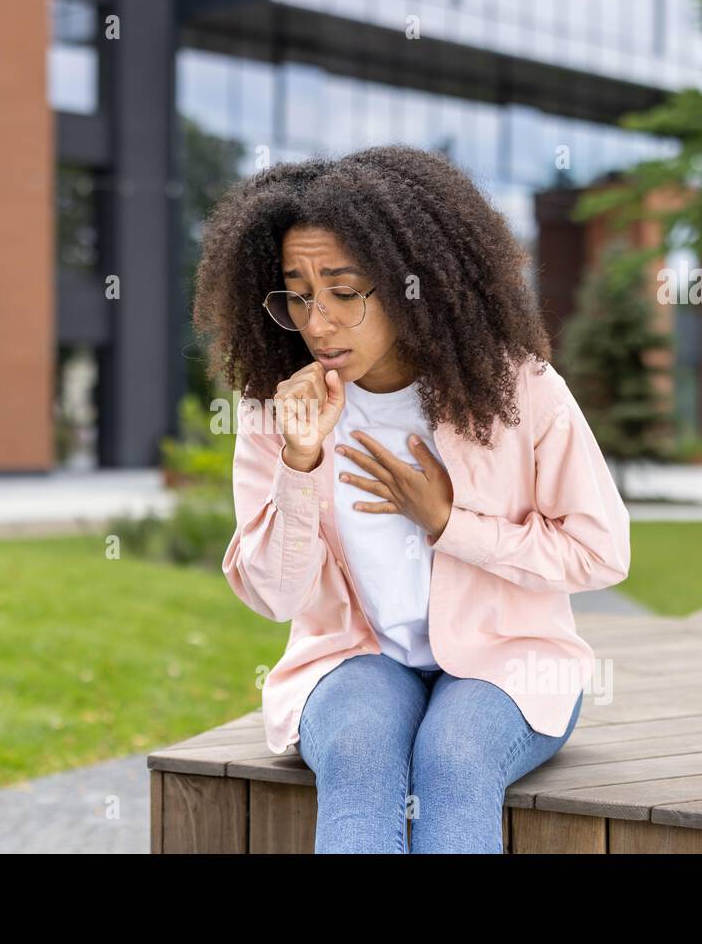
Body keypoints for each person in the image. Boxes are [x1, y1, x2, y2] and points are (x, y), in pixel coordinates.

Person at [190, 145, 631, 853]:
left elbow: (602, 550)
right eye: (297, 293)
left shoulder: (519, 389)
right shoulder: (278, 407)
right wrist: (301, 461)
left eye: (344, 289)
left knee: (454, 757)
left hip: (509, 662)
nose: (318, 321)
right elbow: (273, 594)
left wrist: (450, 523)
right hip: (354, 660)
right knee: (362, 756)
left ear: (409, 283)